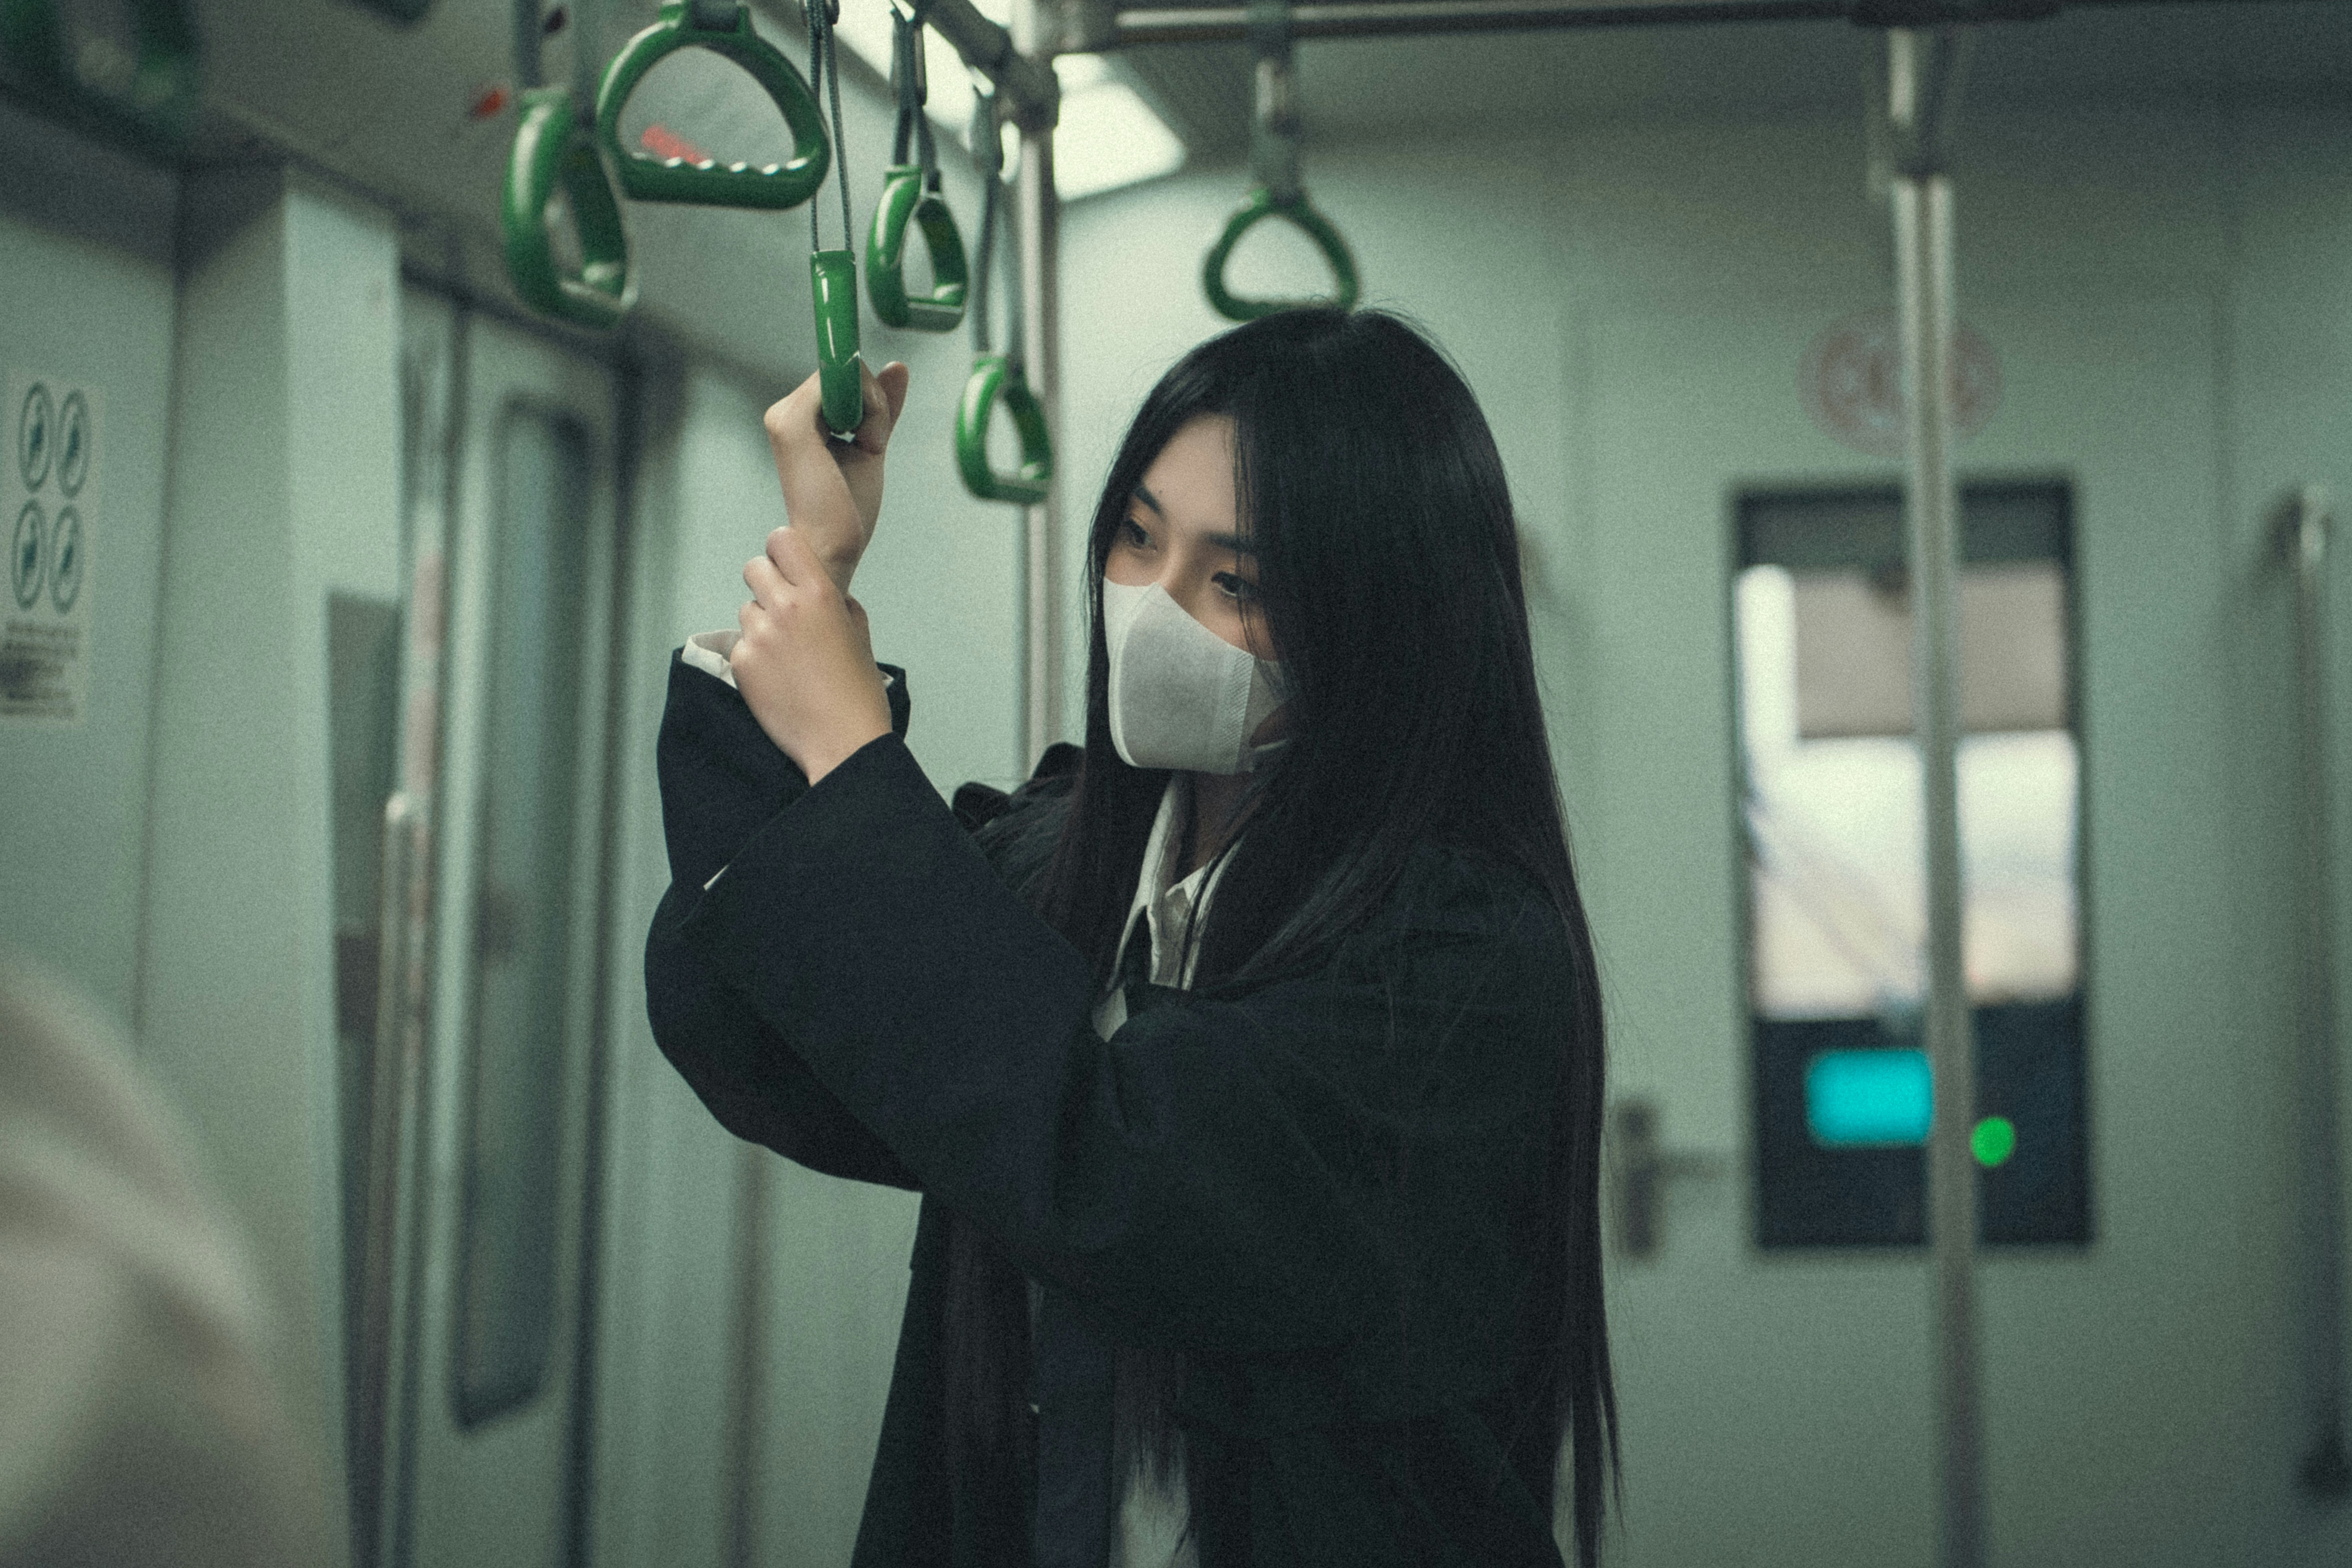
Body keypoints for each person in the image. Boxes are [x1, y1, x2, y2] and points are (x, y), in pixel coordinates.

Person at [645, 308, 1617, 1568]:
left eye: (1238, 583)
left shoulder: (1465, 959)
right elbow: (764, 1036)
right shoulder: (1063, 856)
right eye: (1138, 541)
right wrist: (813, 587)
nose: (1152, 610)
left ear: (1381, 625)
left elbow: (1114, 1172)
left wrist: (853, 758)